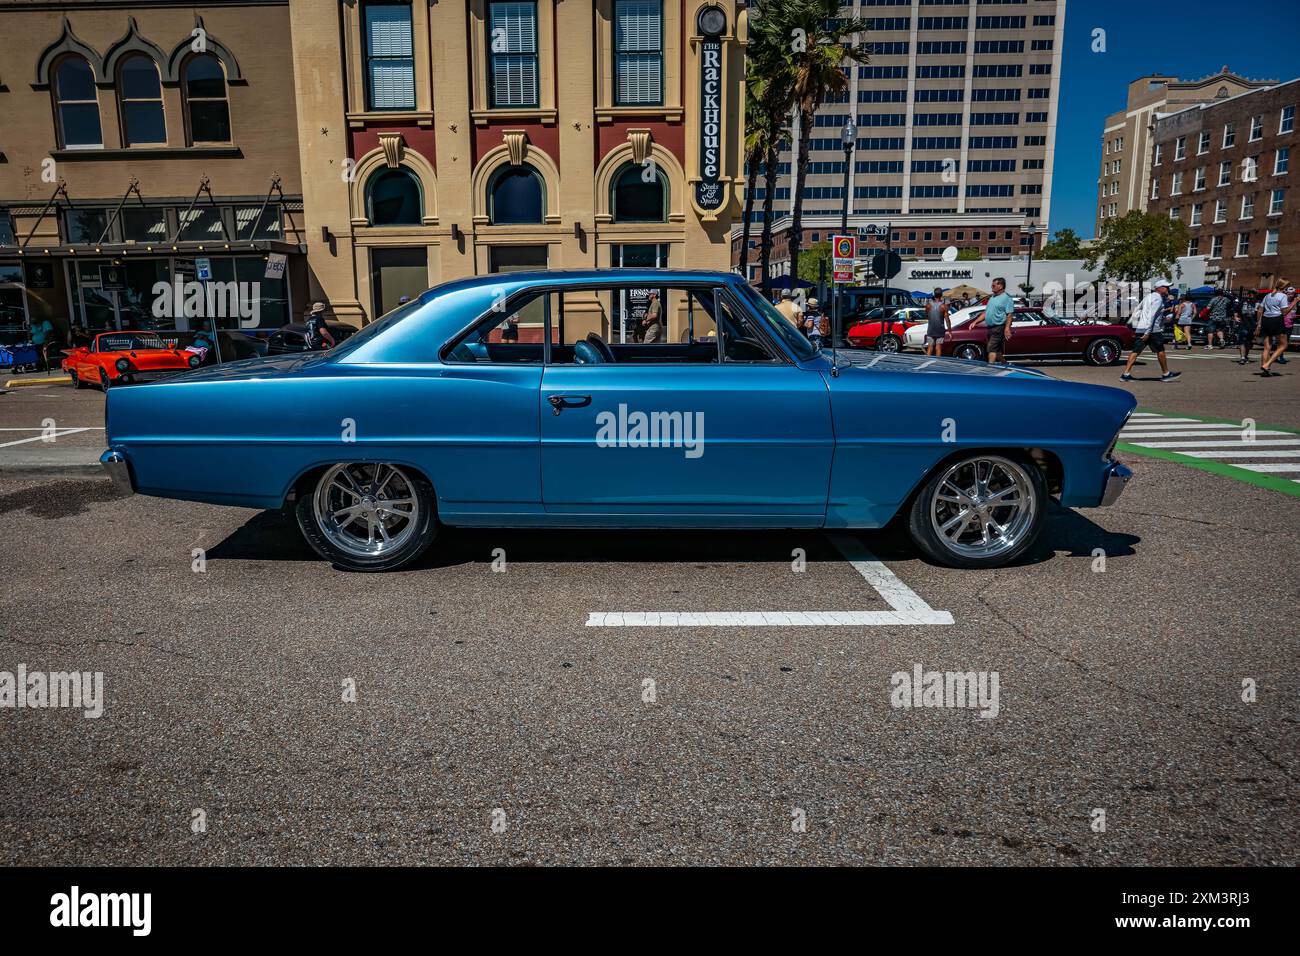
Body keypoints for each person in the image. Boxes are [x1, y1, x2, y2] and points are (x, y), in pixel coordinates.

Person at [1120, 279, 1181, 382]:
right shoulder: (1157, 299)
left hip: (1141, 327)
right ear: (1159, 288)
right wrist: (1148, 332)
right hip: (1152, 330)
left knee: (1135, 351)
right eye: (1166, 287)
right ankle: (1166, 374)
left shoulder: (1148, 296)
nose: (1168, 289)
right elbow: (1151, 316)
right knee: (1160, 351)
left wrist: (1135, 324)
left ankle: (1125, 374)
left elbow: (1138, 310)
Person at [1258, 280, 1294, 377]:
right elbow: (1285, 312)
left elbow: (1260, 310)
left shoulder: (1268, 295)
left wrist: (1259, 324)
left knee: (1267, 347)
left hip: (1266, 320)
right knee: (1283, 345)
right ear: (1284, 287)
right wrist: (1295, 301)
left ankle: (1265, 370)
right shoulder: (1283, 296)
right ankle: (1267, 365)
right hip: (1276, 320)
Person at [983, 277, 1014, 363]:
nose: (991, 287)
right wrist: (975, 321)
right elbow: (986, 312)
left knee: (991, 348)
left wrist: (1007, 328)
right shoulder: (992, 297)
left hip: (998, 327)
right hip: (990, 327)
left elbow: (1010, 314)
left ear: (1000, 286)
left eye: (993, 285)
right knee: (997, 350)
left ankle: (991, 368)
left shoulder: (1007, 298)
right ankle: (1005, 364)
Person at [923, 287, 950, 357]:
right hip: (940, 329)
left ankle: (927, 362)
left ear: (934, 295)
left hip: (931, 329)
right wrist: (950, 331)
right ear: (941, 295)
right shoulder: (943, 306)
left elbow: (926, 316)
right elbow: (947, 319)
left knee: (930, 347)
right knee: (938, 347)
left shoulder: (928, 305)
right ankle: (937, 363)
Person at [1235, 292, 1258, 364]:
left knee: (1249, 342)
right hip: (1243, 324)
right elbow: (1236, 310)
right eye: (1250, 293)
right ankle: (1242, 357)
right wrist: (1236, 317)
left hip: (1252, 326)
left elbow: (1261, 314)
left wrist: (1259, 324)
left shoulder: (1258, 304)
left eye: (1253, 294)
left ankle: (1245, 356)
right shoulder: (1242, 302)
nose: (1251, 295)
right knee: (1242, 341)